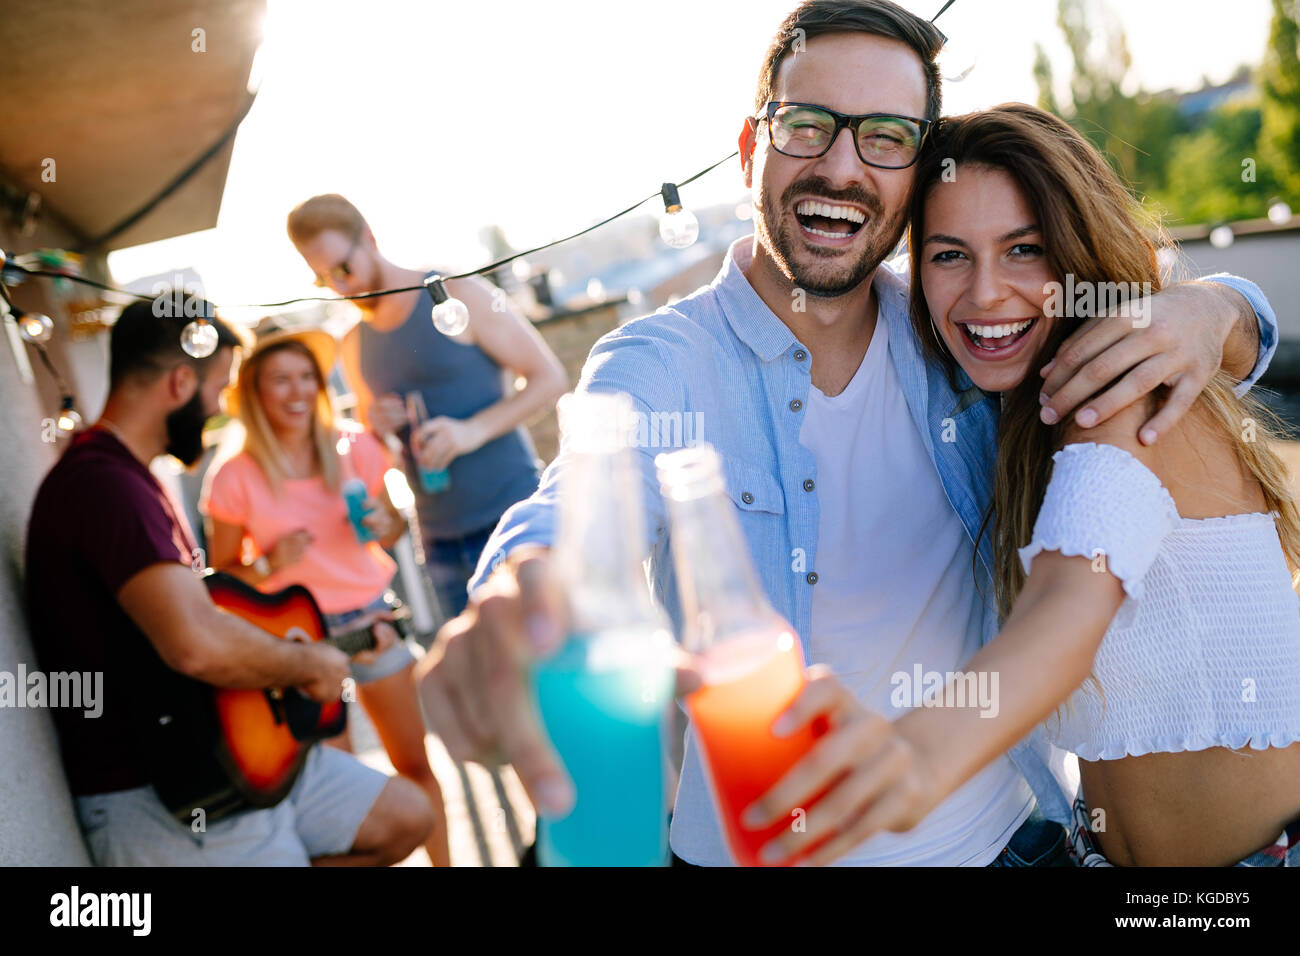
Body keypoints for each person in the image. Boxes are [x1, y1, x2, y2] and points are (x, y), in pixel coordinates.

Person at [415, 0, 1280, 866]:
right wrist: (517, 600)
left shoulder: (962, 338)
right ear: (751, 147)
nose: (840, 166)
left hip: (1012, 848)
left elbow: (1071, 590)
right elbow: (579, 506)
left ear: (914, 179)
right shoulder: (662, 364)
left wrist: (1219, 309)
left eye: (886, 137)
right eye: (806, 125)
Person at [741, 104, 1300, 867]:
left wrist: (923, 755)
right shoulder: (1021, 409)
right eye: (948, 256)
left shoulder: (1119, 391)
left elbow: (1066, 611)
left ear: (1077, 253)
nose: (985, 293)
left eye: (1024, 249)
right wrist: (1225, 305)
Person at [25, 295, 434, 866]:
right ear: (179, 383)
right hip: (167, 790)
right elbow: (195, 643)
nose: (219, 409)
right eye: (218, 389)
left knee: (407, 816)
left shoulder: (131, 479)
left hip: (230, 753)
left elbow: (206, 619)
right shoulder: (103, 486)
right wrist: (310, 664)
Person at [200, 323, 452, 866]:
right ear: (254, 392)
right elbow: (219, 581)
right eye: (279, 380)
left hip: (374, 626)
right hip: (298, 649)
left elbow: (392, 529)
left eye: (305, 378)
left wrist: (388, 523)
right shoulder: (232, 475)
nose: (296, 391)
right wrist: (268, 562)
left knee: (414, 765)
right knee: (344, 800)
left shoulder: (355, 447)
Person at [287, 194, 568, 622]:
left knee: (553, 669)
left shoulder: (454, 292)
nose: (341, 287)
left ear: (369, 237)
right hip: (438, 544)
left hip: (514, 519)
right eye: (324, 280)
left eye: (343, 268)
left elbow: (549, 377)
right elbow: (380, 451)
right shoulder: (353, 344)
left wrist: (470, 431)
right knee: (481, 687)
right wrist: (377, 428)